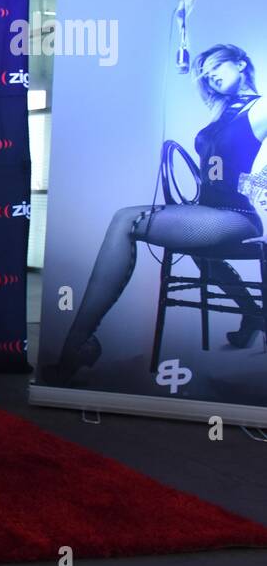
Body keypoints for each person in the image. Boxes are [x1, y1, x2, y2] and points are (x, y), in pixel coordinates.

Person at [44, 43, 267, 386]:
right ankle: (253, 314)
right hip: (205, 211)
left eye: (218, 67)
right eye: (207, 73)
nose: (211, 76)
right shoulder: (219, 109)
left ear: (241, 62)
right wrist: (180, 23)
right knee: (139, 223)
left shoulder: (259, 109)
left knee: (125, 221)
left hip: (234, 214)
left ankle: (78, 344)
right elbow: (190, 69)